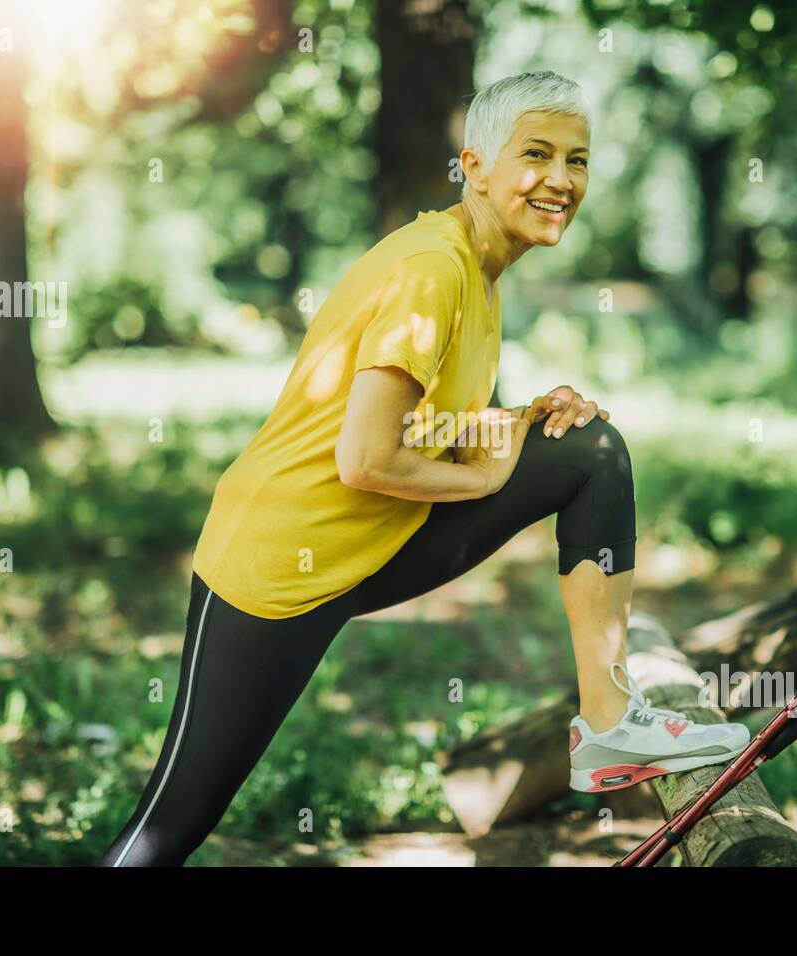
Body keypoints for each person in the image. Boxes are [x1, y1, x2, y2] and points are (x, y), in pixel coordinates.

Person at [99, 70, 748, 867]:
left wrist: (520, 425)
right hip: (275, 566)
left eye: (577, 160)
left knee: (588, 449)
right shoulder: (434, 269)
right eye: (536, 154)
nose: (560, 179)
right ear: (474, 165)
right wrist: (483, 477)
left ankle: (611, 720)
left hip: (370, 542)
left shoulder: (478, 268)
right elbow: (367, 456)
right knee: (173, 823)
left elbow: (421, 426)